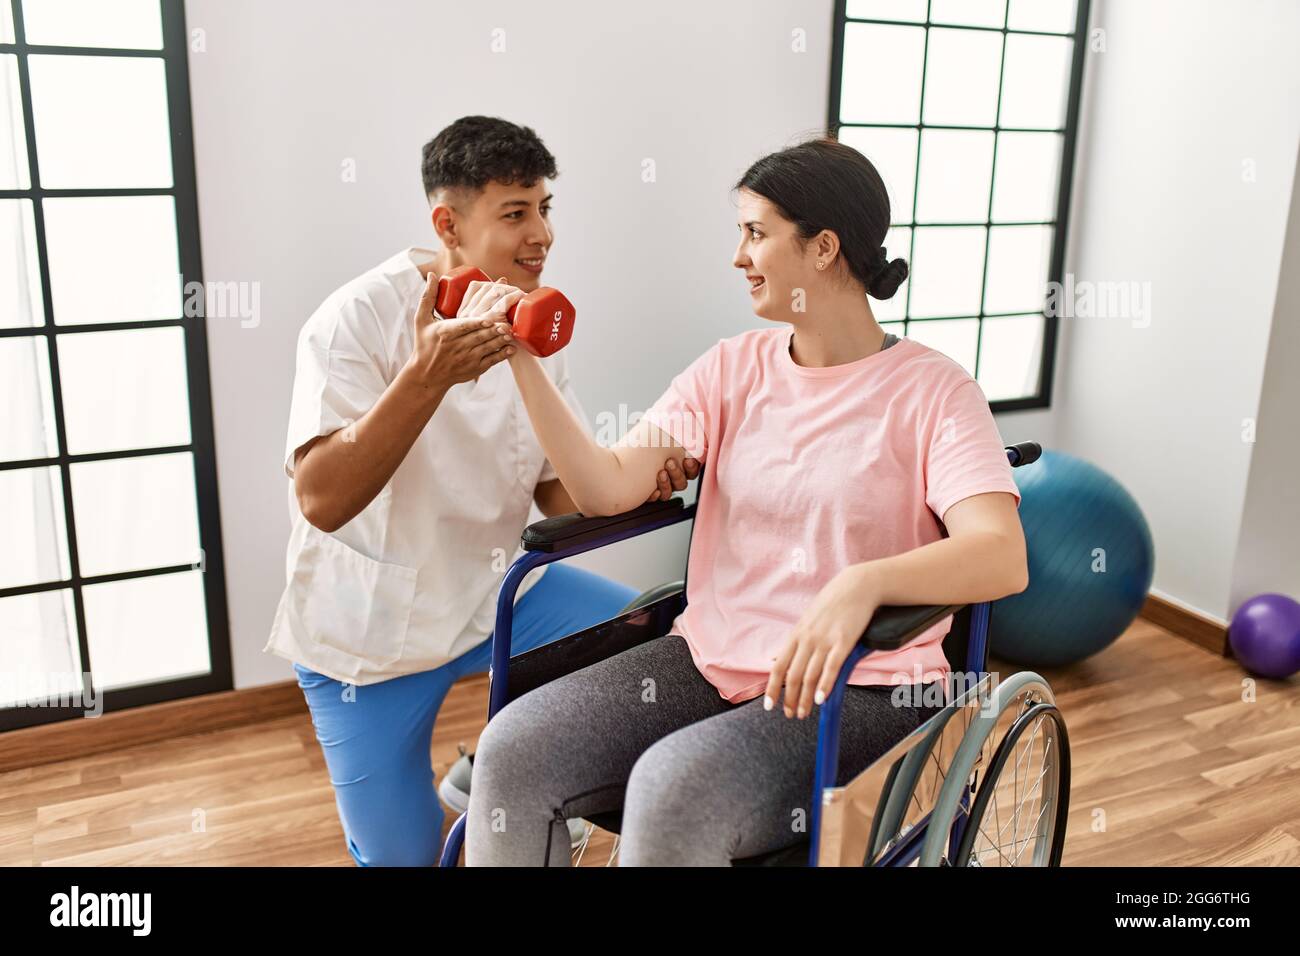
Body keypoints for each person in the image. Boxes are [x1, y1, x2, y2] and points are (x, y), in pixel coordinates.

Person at [464, 137, 1028, 866]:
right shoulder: (730, 369)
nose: (738, 256)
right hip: (708, 661)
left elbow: (1001, 553)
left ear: (823, 248)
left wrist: (864, 582)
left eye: (756, 233)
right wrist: (523, 359)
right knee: (512, 751)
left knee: (673, 793)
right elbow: (605, 486)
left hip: (859, 687)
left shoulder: (936, 391)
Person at [265, 116, 698, 867]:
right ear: (448, 223)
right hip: (369, 636)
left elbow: (558, 494)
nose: (543, 234)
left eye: (545, 208)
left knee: (660, 645)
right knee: (404, 857)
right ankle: (471, 787)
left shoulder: (531, 320)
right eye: (515, 213)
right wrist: (427, 378)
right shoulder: (354, 320)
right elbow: (321, 500)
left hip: (499, 597)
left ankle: (505, 776)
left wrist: (632, 484)